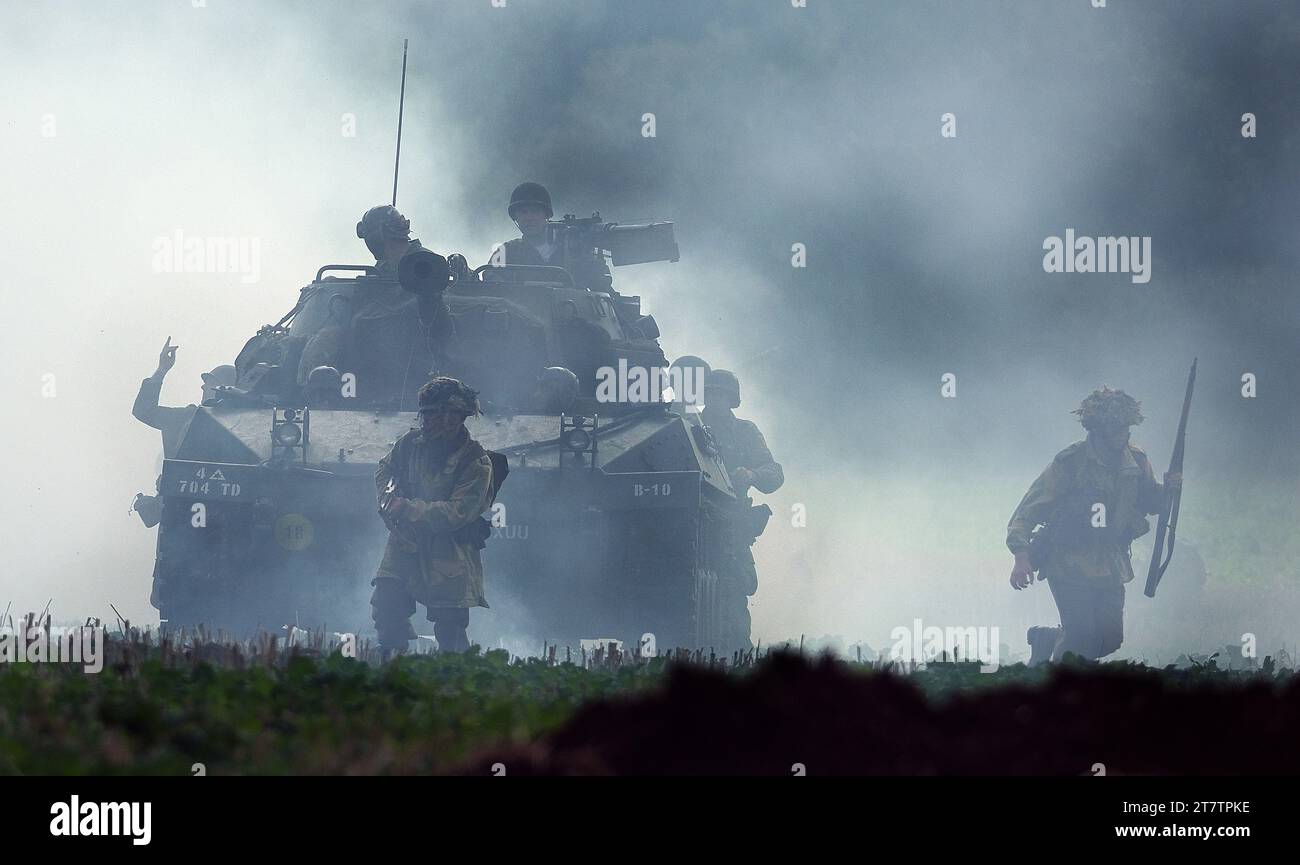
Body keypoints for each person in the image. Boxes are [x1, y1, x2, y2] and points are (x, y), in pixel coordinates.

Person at [1007, 386, 1180, 662]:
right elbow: (1027, 510)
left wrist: (1169, 491)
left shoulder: (1136, 461)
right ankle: (1058, 690)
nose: (1123, 436)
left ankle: (1048, 638)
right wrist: (1021, 555)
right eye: (1116, 429)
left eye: (1125, 429)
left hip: (1110, 561)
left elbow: (1151, 502)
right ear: (1097, 431)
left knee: (1109, 638)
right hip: (1068, 560)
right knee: (1079, 635)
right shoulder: (1071, 463)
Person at [370, 377, 498, 656]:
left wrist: (407, 508)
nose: (425, 420)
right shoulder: (410, 444)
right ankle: (391, 671)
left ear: (454, 418)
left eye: (433, 414)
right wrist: (388, 497)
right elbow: (385, 469)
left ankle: (456, 682)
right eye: (424, 413)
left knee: (450, 627)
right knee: (386, 604)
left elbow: (456, 513)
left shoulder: (476, 462)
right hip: (406, 542)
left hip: (449, 551)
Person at [131, 337, 236, 608]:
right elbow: (143, 411)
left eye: (209, 382)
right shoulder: (186, 418)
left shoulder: (244, 425)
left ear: (226, 388)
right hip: (181, 517)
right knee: (175, 591)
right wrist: (161, 371)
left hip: (224, 522)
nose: (203, 386)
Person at [700, 369, 784, 650]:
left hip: (728, 526)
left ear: (732, 399)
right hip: (689, 521)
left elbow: (774, 473)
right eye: (711, 393)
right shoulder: (687, 425)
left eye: (721, 395)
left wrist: (752, 474)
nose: (715, 400)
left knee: (733, 596)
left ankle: (738, 664)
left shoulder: (744, 432)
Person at [488, 182, 613, 292]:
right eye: (523, 212)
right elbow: (490, 281)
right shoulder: (505, 251)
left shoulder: (573, 246)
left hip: (572, 315)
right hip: (520, 315)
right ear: (516, 218)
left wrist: (589, 257)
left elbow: (600, 285)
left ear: (546, 215)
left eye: (535, 211)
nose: (529, 218)